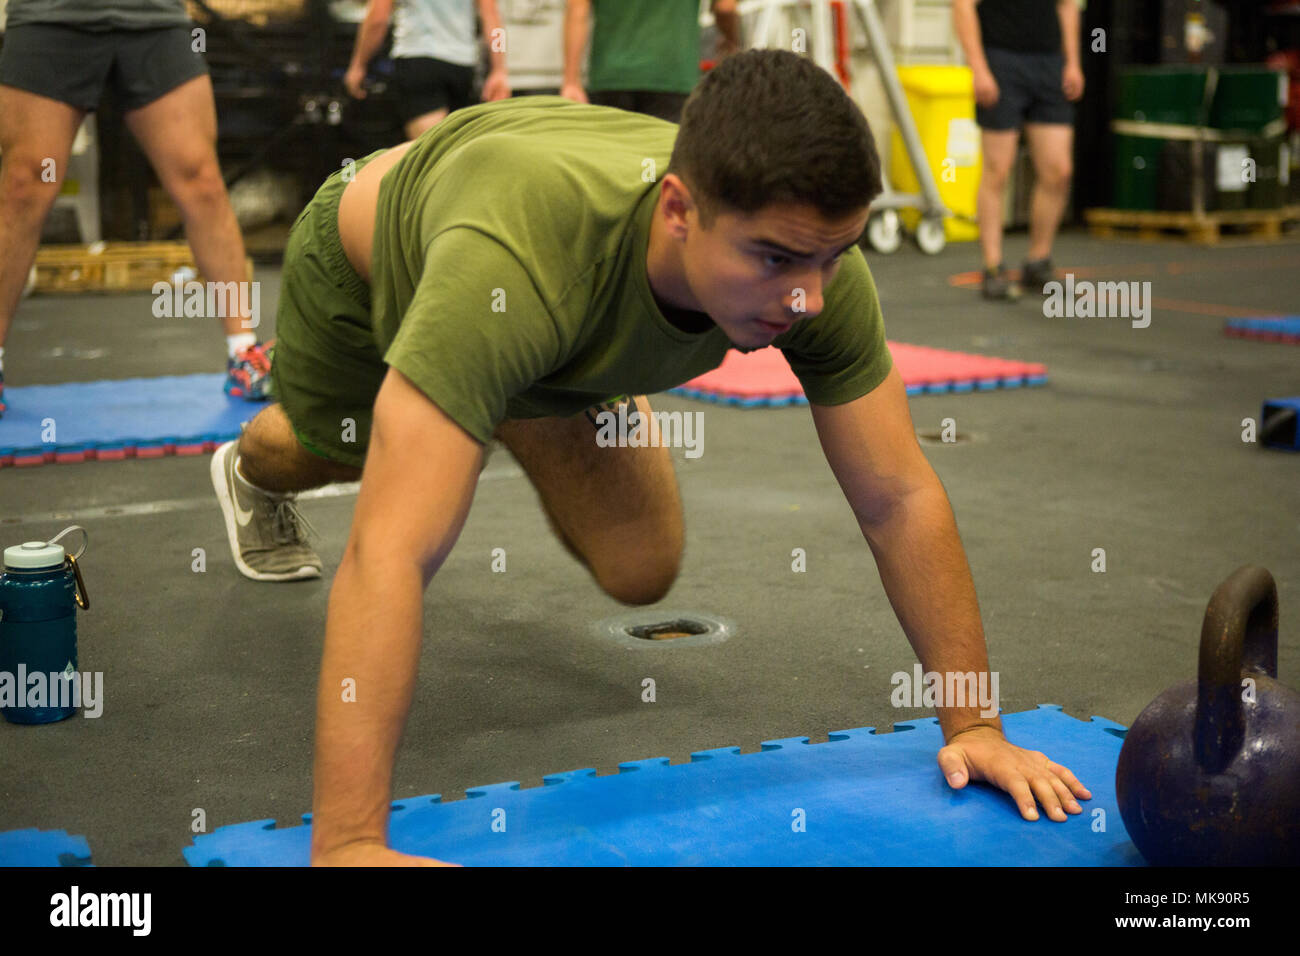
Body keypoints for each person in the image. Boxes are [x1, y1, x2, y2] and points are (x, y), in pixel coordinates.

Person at [209, 50, 1091, 865]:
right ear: (678, 211)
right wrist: (350, 844)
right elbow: (391, 551)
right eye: (777, 259)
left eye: (832, 258)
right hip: (378, 261)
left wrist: (974, 721)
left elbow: (897, 495)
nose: (805, 297)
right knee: (333, 454)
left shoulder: (812, 267)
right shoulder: (508, 263)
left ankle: (519, 381)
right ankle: (253, 467)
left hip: (535, 304)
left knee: (641, 566)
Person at [0, 0, 272, 419]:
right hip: (50, 15)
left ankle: (243, 352)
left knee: (201, 180)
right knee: (25, 184)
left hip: (152, 16)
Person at [952, 0, 1083, 299]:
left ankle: (1038, 261)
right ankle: (993, 267)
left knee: (1059, 171)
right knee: (998, 169)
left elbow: (1067, 7)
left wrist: (1073, 62)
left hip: (1050, 62)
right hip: (1001, 60)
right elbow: (963, 6)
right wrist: (979, 67)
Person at [345, 0, 510, 141]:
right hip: (463, 67)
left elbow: (378, 19)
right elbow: (494, 22)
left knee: (429, 157)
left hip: (418, 62)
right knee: (452, 154)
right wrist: (499, 70)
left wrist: (358, 64)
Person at [560, 0, 741, 123]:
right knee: (656, 169)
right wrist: (732, 40)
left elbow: (577, 12)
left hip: (611, 76)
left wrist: (571, 80)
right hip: (672, 75)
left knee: (615, 167)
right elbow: (725, 7)